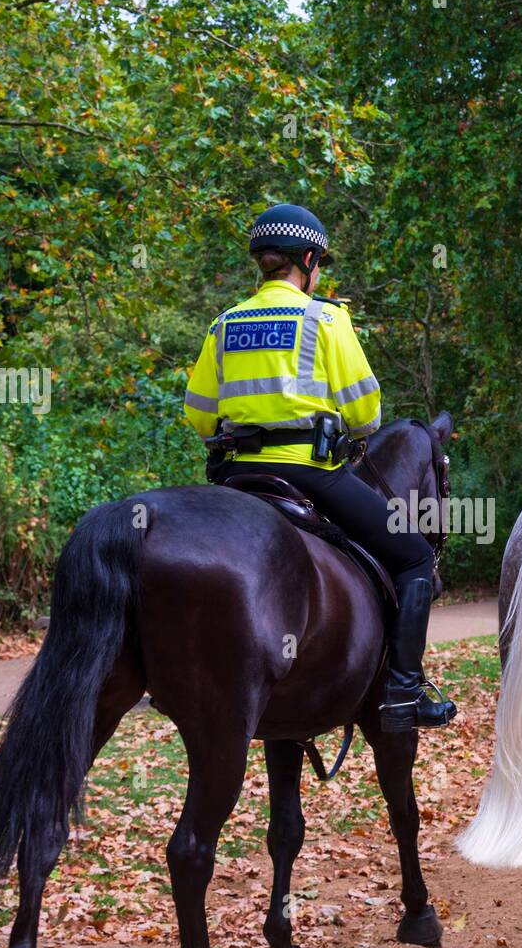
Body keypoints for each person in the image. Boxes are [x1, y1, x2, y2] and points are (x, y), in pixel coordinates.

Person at [183, 203, 456, 733]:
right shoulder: (325, 318)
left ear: (261, 263)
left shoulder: (226, 322)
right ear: (307, 260)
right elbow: (365, 413)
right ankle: (403, 691)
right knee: (415, 556)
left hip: (236, 482)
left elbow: (198, 413)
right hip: (308, 475)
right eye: (319, 264)